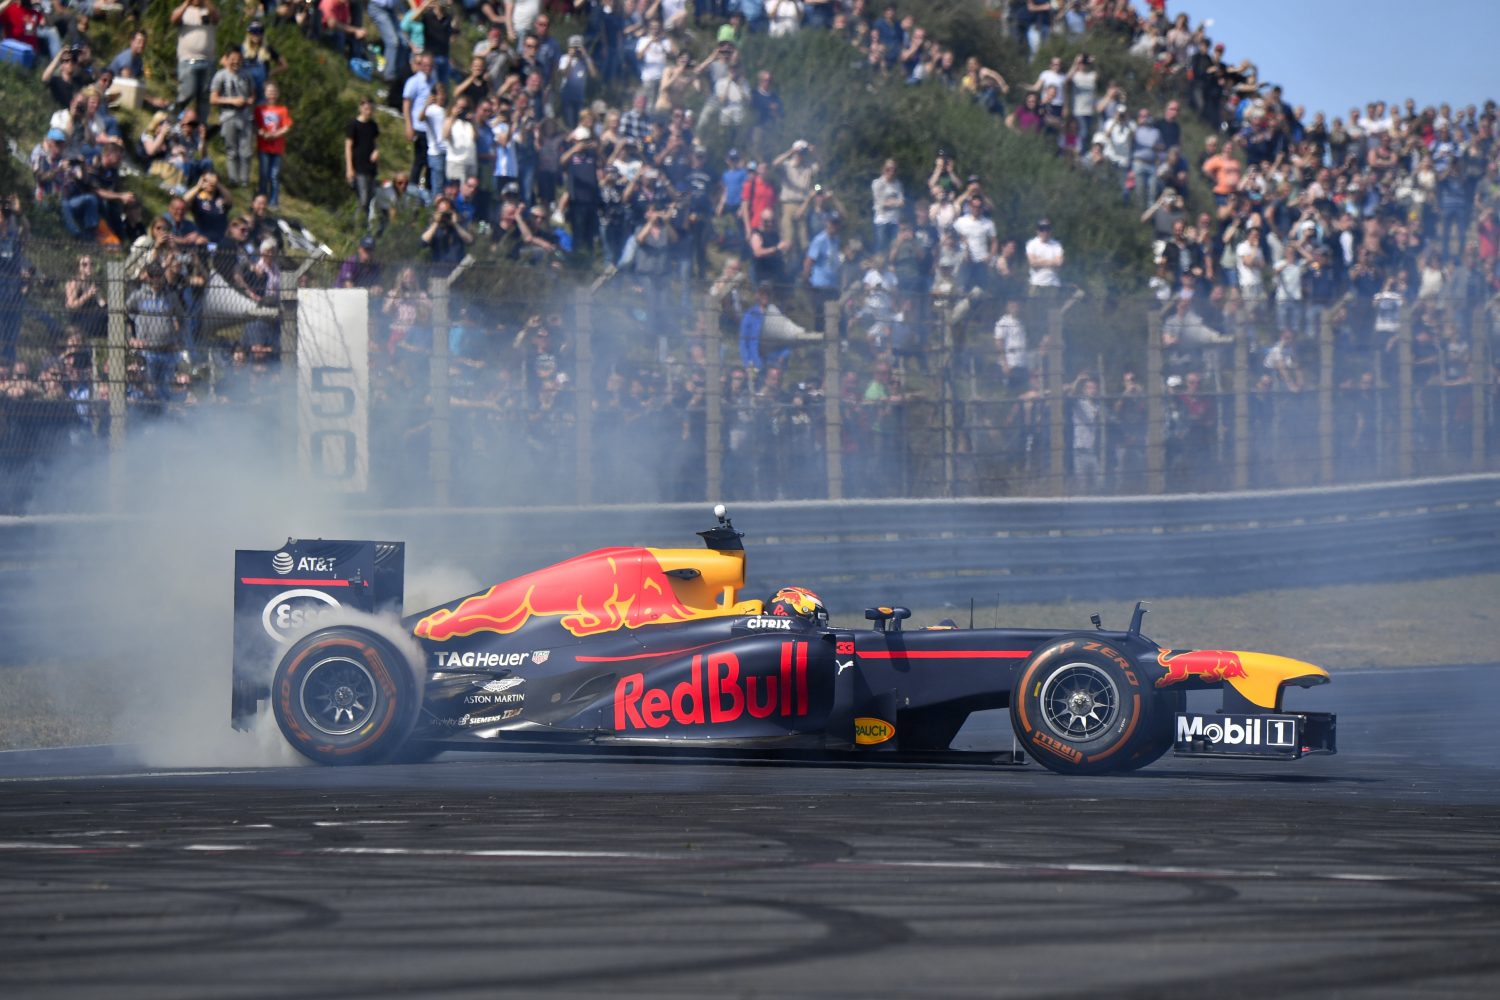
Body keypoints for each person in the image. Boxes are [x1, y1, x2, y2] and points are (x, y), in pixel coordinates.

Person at [210, 45, 256, 188]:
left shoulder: (247, 75)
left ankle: (244, 180)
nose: (235, 62)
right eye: (232, 59)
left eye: (238, 59)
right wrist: (232, 101)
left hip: (245, 116)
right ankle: (233, 179)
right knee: (232, 150)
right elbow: (213, 99)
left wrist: (249, 101)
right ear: (227, 59)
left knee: (246, 150)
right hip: (228, 116)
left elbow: (253, 93)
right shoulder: (220, 75)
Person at [170, 0, 219, 125]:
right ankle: (172, 119)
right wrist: (187, 3)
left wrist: (206, 3)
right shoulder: (184, 10)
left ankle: (200, 128)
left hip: (208, 61)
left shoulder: (209, 10)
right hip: (188, 60)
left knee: (204, 99)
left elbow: (217, 17)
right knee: (187, 93)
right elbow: (174, 19)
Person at [253, 81, 292, 208]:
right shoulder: (260, 109)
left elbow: (287, 126)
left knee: (274, 175)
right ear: (265, 93)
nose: (271, 94)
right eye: (269, 92)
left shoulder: (282, 109)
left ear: (278, 94)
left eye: (274, 92)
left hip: (277, 148)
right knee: (263, 174)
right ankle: (261, 198)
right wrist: (262, 132)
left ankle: (274, 201)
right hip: (263, 146)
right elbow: (256, 125)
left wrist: (275, 134)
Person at [346, 96, 381, 226]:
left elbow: (375, 143)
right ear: (361, 108)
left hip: (371, 166)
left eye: (371, 109)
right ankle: (356, 224)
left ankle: (364, 225)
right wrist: (349, 168)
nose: (368, 111)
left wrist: (377, 151)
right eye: (366, 108)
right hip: (358, 166)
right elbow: (348, 146)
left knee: (371, 198)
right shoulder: (353, 125)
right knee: (363, 198)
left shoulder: (373, 125)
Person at [1025, 218, 1064, 296]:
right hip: (1036, 284)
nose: (1045, 232)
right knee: (1033, 308)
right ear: (1037, 231)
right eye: (1042, 229)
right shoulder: (1032, 244)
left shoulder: (1057, 245)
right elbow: (1032, 263)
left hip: (1053, 284)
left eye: (1047, 229)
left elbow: (1059, 263)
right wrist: (1052, 261)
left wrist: (1040, 260)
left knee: (1053, 308)